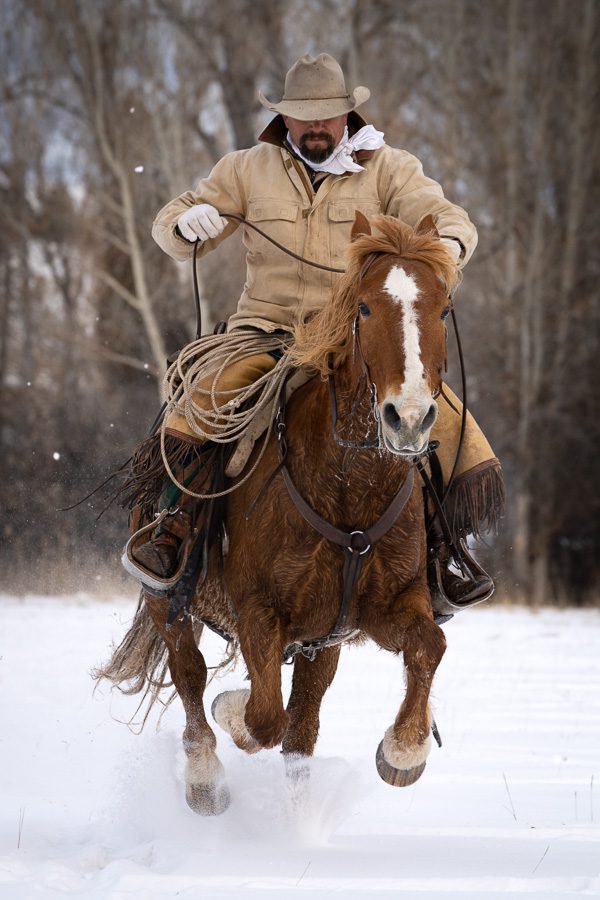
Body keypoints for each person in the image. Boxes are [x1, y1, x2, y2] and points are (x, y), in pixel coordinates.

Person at [132, 53, 502, 613]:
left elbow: (445, 216)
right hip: (264, 331)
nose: (315, 128)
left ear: (347, 116)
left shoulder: (389, 168)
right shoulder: (246, 169)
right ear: (284, 120)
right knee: (203, 399)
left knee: (444, 418)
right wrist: (185, 225)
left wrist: (448, 247)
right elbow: (173, 223)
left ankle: (443, 548)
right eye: (303, 119)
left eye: (327, 117)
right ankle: (174, 527)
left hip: (354, 339)